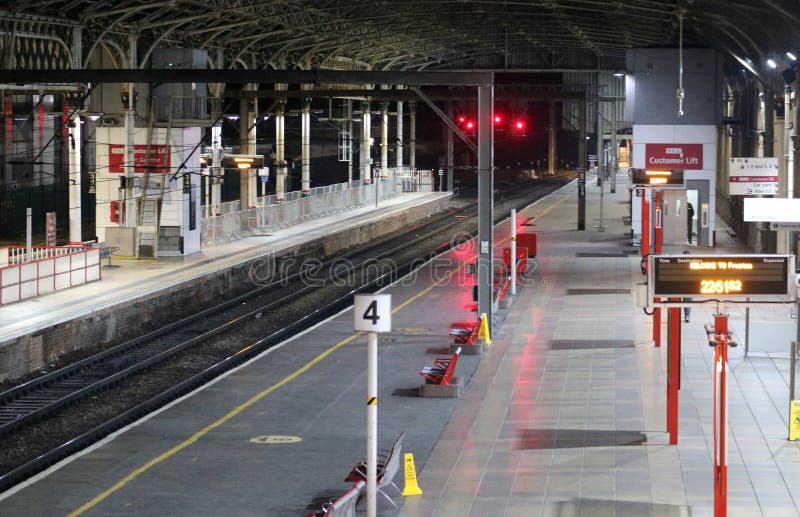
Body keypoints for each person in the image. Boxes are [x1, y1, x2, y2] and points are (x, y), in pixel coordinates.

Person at [682, 250, 692, 322]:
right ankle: (687, 316)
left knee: (687, 301)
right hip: (687, 287)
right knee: (687, 301)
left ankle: (687, 316)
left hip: (686, 287)